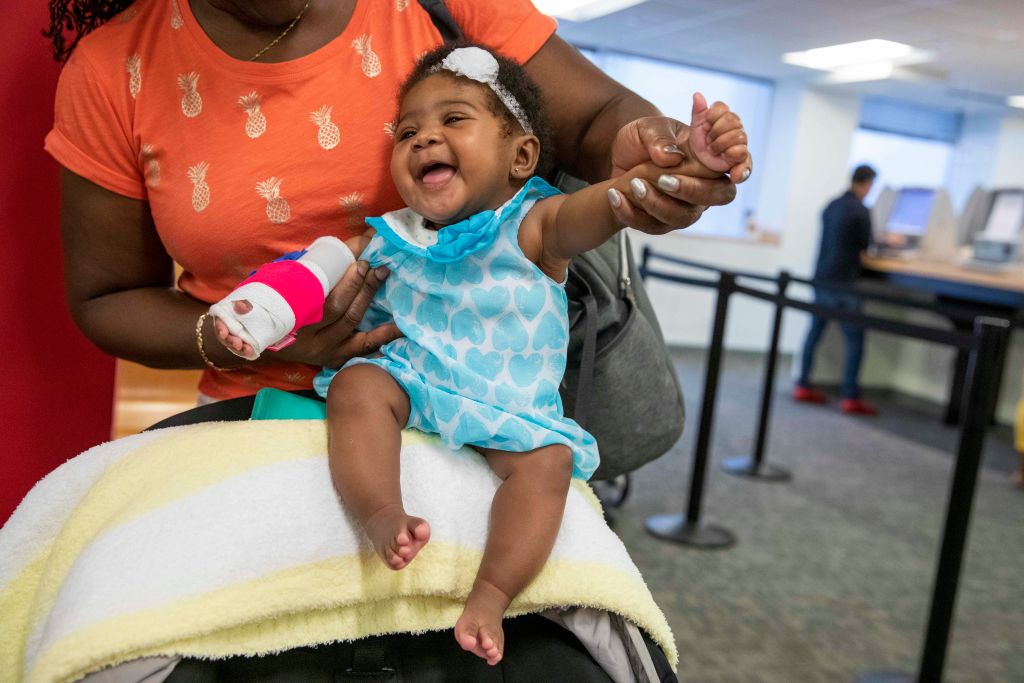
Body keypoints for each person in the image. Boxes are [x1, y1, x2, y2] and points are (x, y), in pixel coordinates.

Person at [208, 42, 750, 665]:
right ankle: (382, 515)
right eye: (407, 130)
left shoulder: (537, 224)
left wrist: (684, 162)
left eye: (453, 120)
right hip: (412, 379)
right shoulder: (392, 235)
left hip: (509, 407)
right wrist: (265, 313)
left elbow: (613, 202)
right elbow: (313, 276)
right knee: (359, 386)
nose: (423, 138)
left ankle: (492, 594)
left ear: (521, 155)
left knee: (547, 465)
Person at [45, 0, 752, 405]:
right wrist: (241, 336)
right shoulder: (115, 71)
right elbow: (108, 295)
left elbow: (596, 119)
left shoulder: (436, 5)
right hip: (252, 413)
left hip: (472, 394)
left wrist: (643, 151)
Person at [794, 164, 878, 415]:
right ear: (868, 184)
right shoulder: (861, 210)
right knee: (855, 338)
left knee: (815, 331)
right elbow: (865, 250)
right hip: (844, 282)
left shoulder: (831, 205)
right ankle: (850, 396)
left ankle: (802, 384)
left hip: (821, 278)